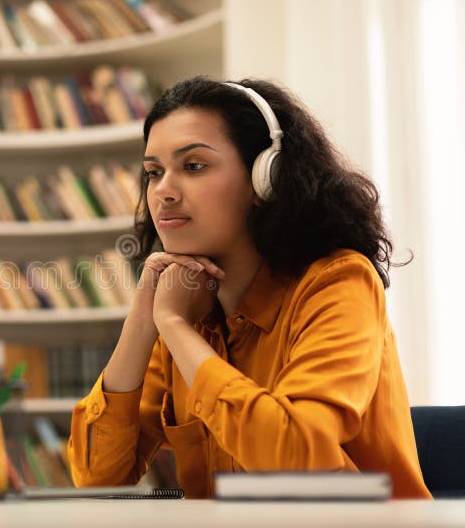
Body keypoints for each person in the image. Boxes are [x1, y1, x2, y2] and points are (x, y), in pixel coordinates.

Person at [67, 76, 431, 499]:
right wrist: (143, 320)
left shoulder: (339, 282)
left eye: (194, 166)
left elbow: (297, 456)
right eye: (153, 172)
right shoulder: (185, 306)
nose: (163, 191)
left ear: (265, 180)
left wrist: (173, 325)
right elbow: (96, 480)